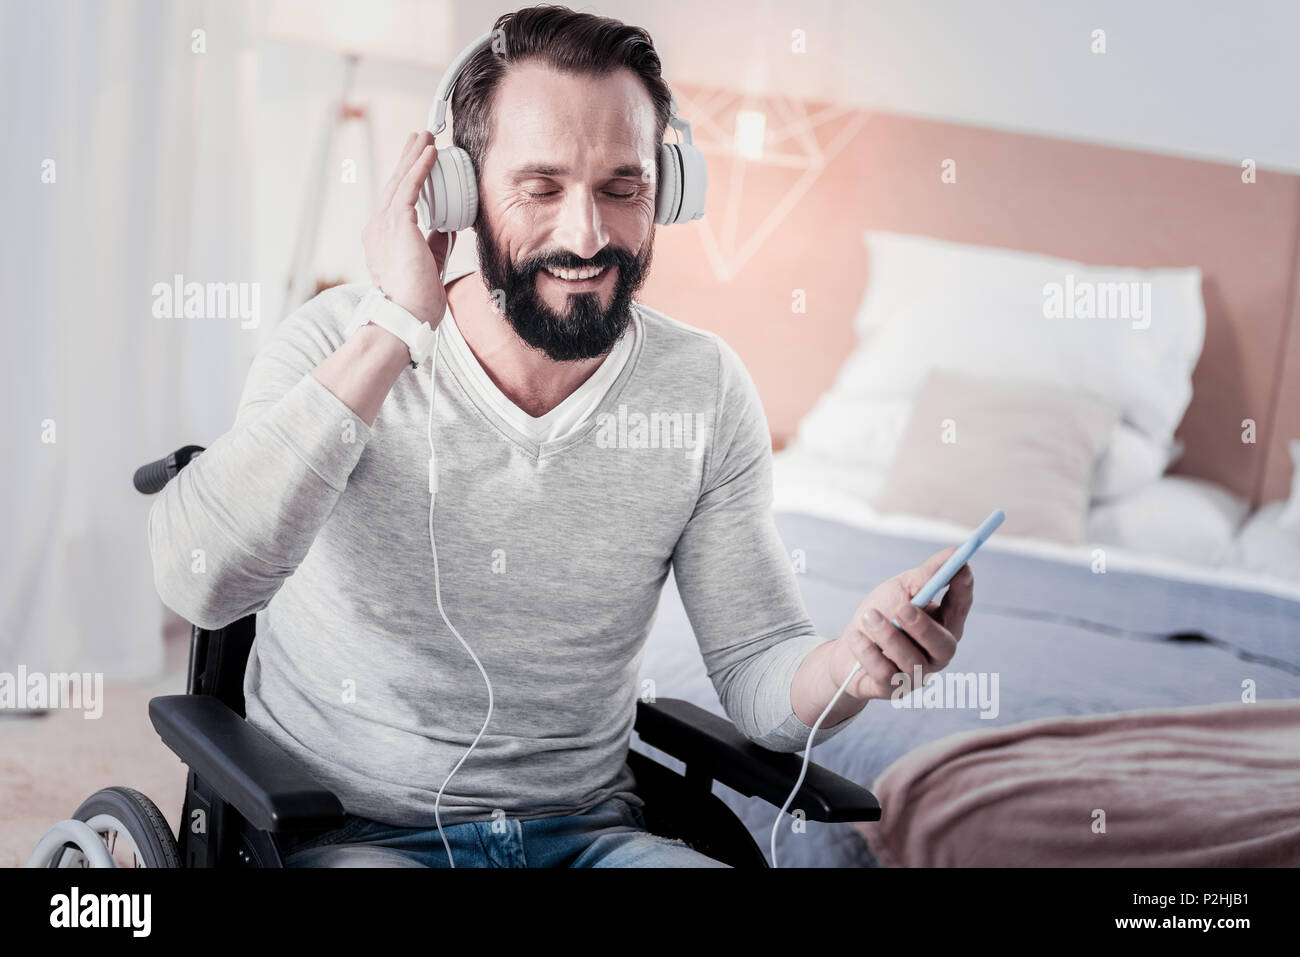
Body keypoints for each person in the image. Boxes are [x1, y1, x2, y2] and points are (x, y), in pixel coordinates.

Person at [148, 5, 974, 868]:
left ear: (669, 187)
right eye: (540, 188)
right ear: (456, 190)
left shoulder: (702, 389)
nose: (588, 235)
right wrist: (394, 328)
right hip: (354, 834)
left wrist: (856, 658)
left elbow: (761, 674)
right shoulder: (337, 344)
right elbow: (198, 581)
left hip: (587, 838)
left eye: (624, 187)